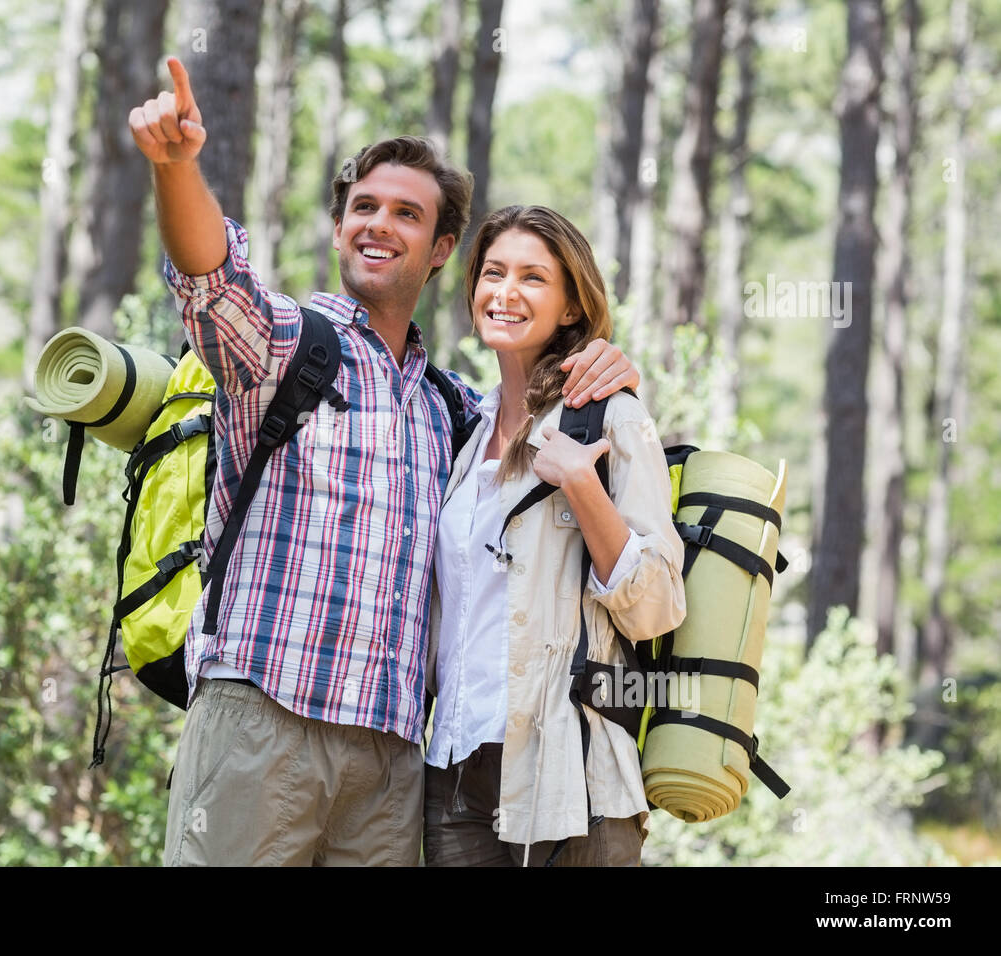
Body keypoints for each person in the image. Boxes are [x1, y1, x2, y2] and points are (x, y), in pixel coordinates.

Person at [130, 57, 642, 866]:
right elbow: (210, 281)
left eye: (407, 214)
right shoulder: (284, 345)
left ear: (441, 250)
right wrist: (176, 166)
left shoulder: (457, 411)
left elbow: (529, 423)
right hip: (265, 717)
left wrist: (603, 362)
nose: (378, 224)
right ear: (338, 229)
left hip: (396, 760)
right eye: (363, 208)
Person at [423, 205, 687, 867]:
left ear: (571, 307)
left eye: (533, 278)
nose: (505, 292)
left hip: (572, 776)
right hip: (456, 773)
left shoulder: (613, 417)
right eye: (492, 273)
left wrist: (584, 488)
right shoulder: (465, 431)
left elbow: (657, 607)